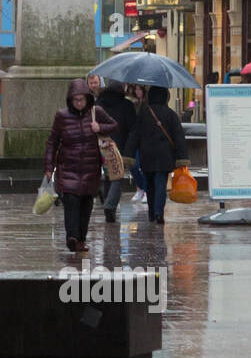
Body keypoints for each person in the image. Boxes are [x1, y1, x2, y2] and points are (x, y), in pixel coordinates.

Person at [44, 78, 116, 252]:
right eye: (75, 100)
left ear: (87, 98)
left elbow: (114, 125)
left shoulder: (96, 112)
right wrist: (48, 167)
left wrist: (100, 128)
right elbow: (52, 142)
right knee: (71, 203)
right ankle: (72, 236)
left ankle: (81, 239)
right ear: (70, 100)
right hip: (68, 167)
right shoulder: (61, 116)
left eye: (82, 99)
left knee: (86, 205)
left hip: (90, 169)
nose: (79, 103)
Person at [124, 86, 189, 225]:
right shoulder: (171, 114)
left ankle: (151, 213)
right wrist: (182, 157)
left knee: (150, 185)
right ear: (166, 97)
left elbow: (134, 135)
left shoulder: (144, 113)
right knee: (161, 184)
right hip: (164, 156)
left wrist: (129, 154)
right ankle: (159, 212)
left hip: (147, 156)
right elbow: (179, 137)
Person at [95, 78, 136, 223]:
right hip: (119, 145)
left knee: (108, 176)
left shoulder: (98, 103)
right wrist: (129, 150)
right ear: (121, 88)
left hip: (101, 144)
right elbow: (133, 129)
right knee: (117, 176)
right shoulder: (127, 105)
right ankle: (110, 205)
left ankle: (108, 203)